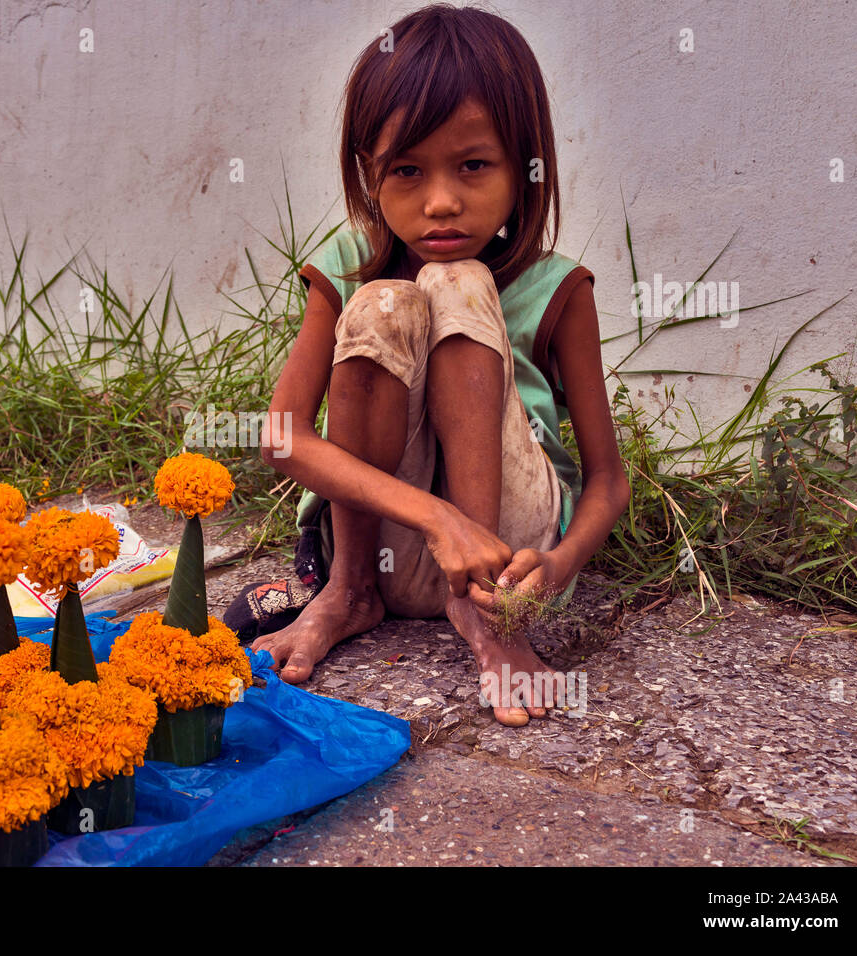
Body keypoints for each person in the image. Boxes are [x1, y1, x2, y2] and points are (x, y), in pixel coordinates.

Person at [237, 4, 631, 727]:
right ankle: (350, 591)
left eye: (474, 165)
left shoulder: (558, 289)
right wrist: (436, 517)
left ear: (525, 164)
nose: (442, 201)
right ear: (369, 173)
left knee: (456, 281)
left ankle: (489, 624)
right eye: (408, 171)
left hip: (509, 557)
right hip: (388, 542)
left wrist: (563, 563)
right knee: (386, 304)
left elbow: (608, 478)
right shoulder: (345, 268)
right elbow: (281, 437)